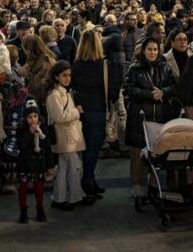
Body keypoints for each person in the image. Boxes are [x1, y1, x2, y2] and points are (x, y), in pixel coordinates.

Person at [122, 39, 175, 198]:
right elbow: (129, 90)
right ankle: (137, 184)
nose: (152, 52)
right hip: (140, 118)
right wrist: (150, 94)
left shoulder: (165, 68)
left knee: (156, 152)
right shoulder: (135, 69)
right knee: (138, 154)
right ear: (143, 51)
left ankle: (154, 184)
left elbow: (172, 87)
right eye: (149, 49)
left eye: (155, 49)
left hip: (159, 116)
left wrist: (163, 92)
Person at [71, 29, 115, 198]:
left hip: (81, 110)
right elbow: (111, 89)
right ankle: (87, 181)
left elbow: (72, 86)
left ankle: (90, 178)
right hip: (98, 110)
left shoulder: (76, 64)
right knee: (93, 149)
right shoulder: (103, 64)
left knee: (86, 148)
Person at [46, 60, 89, 210]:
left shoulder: (62, 93)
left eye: (69, 75)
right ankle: (72, 197)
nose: (68, 78)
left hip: (68, 136)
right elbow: (59, 117)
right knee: (73, 167)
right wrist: (77, 112)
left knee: (65, 168)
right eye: (64, 75)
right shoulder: (55, 95)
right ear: (56, 76)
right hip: (65, 136)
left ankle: (61, 198)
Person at [15, 98, 52, 223]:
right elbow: (20, 144)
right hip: (25, 164)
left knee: (39, 188)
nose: (33, 119)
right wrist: (29, 133)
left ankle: (40, 209)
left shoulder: (43, 129)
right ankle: (23, 211)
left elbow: (47, 147)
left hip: (38, 164)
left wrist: (50, 165)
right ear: (25, 118)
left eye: (35, 116)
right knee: (23, 188)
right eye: (30, 117)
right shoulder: (21, 129)